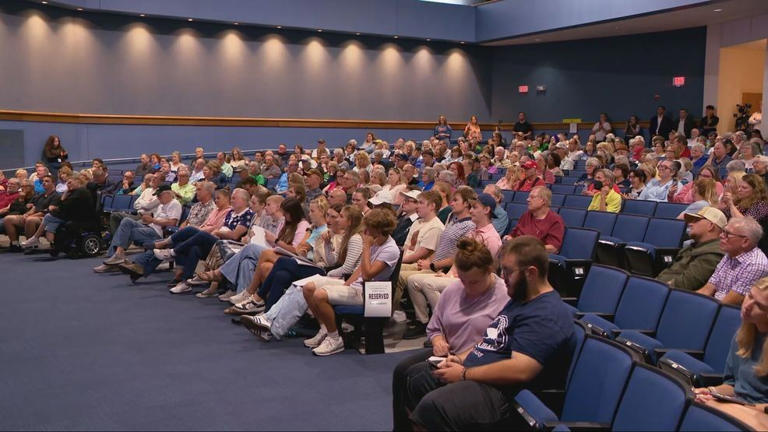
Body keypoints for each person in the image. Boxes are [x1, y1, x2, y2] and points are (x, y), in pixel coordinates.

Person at [400, 236, 574, 430]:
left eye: (508, 271)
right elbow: (490, 340)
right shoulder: (520, 300)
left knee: (433, 407)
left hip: (503, 392)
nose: (502, 277)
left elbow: (521, 370)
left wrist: (464, 374)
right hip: (478, 373)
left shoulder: (545, 313)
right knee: (415, 377)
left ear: (531, 273)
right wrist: (460, 358)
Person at [392, 238, 510, 429]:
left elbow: (494, 342)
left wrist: (460, 360)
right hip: (449, 353)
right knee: (402, 370)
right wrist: (438, 341)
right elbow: (435, 326)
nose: (467, 287)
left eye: (474, 282)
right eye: (463, 280)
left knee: (417, 377)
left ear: (490, 271)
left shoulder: (505, 296)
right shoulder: (454, 289)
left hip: (477, 360)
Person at [301, 208, 401, 356]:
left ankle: (334, 339)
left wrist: (366, 247)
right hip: (356, 285)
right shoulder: (375, 240)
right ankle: (325, 330)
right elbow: (360, 269)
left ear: (378, 229)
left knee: (320, 295)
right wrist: (346, 284)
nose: (365, 231)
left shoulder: (390, 249)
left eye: (368, 228)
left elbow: (367, 275)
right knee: (309, 288)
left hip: (369, 292)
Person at [403, 192, 503, 339]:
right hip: (459, 275)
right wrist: (449, 274)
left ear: (486, 210)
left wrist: (456, 277)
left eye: (475, 207)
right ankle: (423, 321)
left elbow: (485, 270)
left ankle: (446, 326)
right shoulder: (472, 231)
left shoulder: (491, 238)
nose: (471, 211)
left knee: (428, 284)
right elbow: (458, 257)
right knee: (413, 280)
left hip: (474, 281)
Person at [694, 276, 768, 404]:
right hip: (737, 406)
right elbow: (733, 385)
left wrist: (739, 408)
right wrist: (710, 392)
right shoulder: (743, 336)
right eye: (750, 296)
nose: (747, 306)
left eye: (759, 306)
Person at [92, 185, 182, 272]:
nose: (158, 197)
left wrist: (153, 220)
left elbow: (172, 222)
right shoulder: (161, 205)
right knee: (126, 221)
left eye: (160, 195)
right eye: (157, 195)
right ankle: (118, 255)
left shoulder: (174, 204)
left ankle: (116, 258)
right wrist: (148, 219)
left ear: (168, 194)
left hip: (157, 233)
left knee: (126, 232)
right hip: (150, 227)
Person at [697, 216, 768, 305]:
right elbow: (707, 289)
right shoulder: (731, 253)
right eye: (723, 231)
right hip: (714, 304)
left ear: (745, 242)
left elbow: (726, 304)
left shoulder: (756, 265)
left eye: (727, 234)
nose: (721, 236)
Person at [657, 207, 726, 291]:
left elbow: (683, 285)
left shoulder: (713, 254)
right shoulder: (694, 247)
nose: (690, 224)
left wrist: (654, 288)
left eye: (696, 220)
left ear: (710, 226)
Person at [3, 175, 59, 251]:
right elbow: (34, 208)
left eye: (47, 181)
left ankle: (30, 244)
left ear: (53, 183)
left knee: (30, 220)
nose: (44, 183)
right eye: (43, 181)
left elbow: (47, 211)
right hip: (34, 215)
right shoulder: (41, 195)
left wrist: (31, 215)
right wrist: (27, 214)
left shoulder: (56, 196)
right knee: (8, 219)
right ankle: (15, 244)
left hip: (45, 218)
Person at [505, 186, 564, 253]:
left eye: (532, 197)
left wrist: (528, 248)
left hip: (535, 255)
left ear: (543, 201)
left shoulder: (555, 220)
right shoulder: (526, 215)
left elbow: (553, 248)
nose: (527, 199)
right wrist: (508, 238)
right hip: (517, 251)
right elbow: (513, 235)